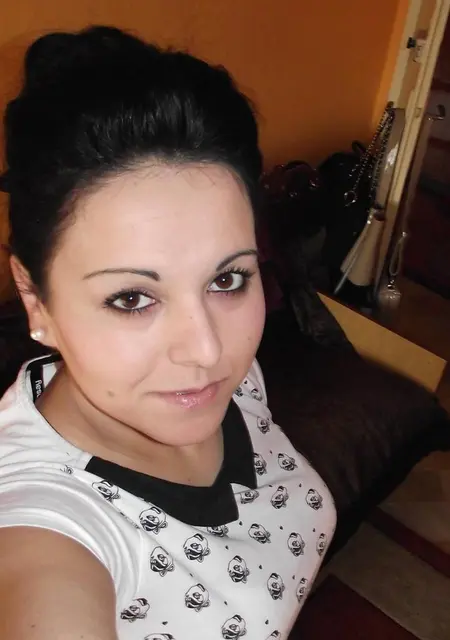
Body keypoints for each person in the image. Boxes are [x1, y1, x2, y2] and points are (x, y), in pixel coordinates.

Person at [0, 26, 336, 640]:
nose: (208, 350)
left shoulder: (219, 381)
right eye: (132, 298)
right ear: (34, 298)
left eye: (227, 279)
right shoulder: (45, 526)